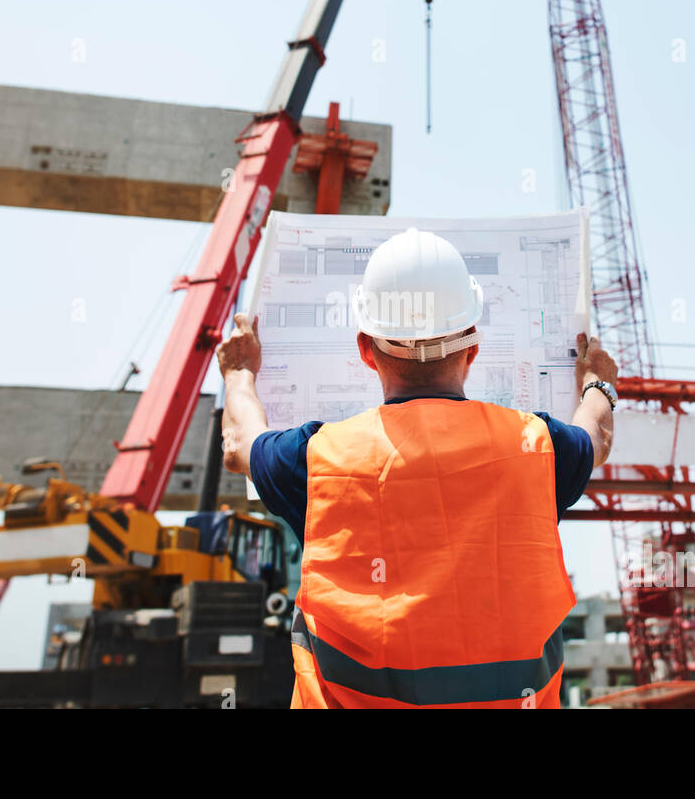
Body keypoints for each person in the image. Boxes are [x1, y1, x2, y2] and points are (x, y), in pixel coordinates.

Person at [217, 228, 617, 708]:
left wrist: (239, 373)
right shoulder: (538, 447)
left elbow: (238, 443)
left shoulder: (317, 458)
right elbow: (597, 437)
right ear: (471, 349)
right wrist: (598, 383)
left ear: (367, 350)